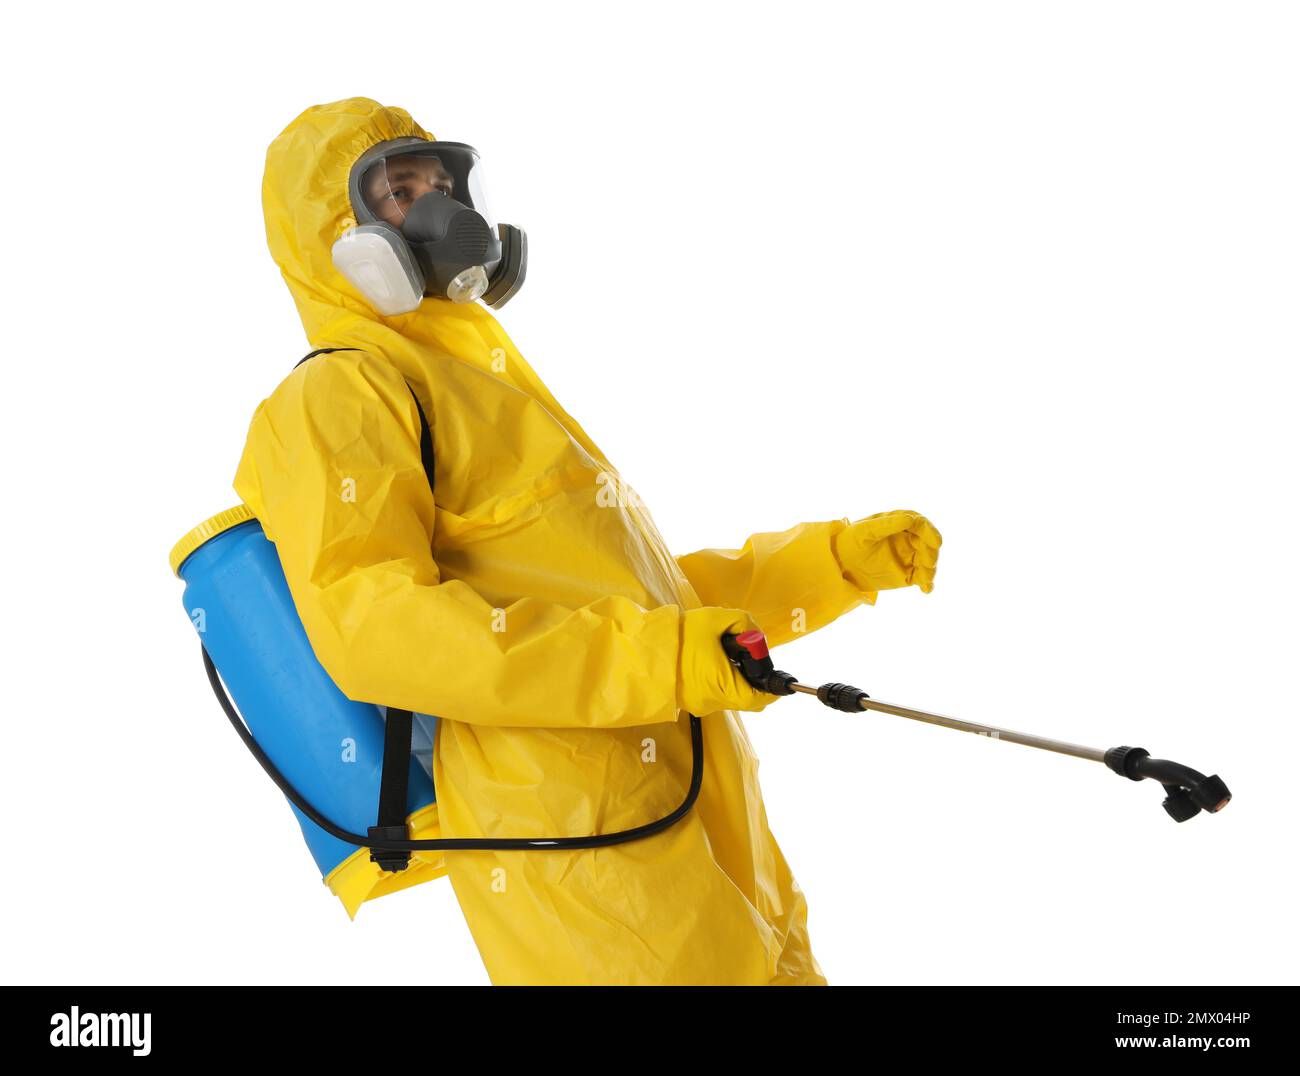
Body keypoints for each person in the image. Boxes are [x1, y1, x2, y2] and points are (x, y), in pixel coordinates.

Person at [234, 97, 941, 985]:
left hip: (701, 805)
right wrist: (663, 662)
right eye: (404, 190)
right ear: (337, 229)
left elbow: (640, 608)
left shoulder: (477, 380)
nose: (444, 205)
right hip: (575, 834)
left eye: (446, 182)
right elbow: (381, 633)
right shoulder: (341, 396)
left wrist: (828, 566)